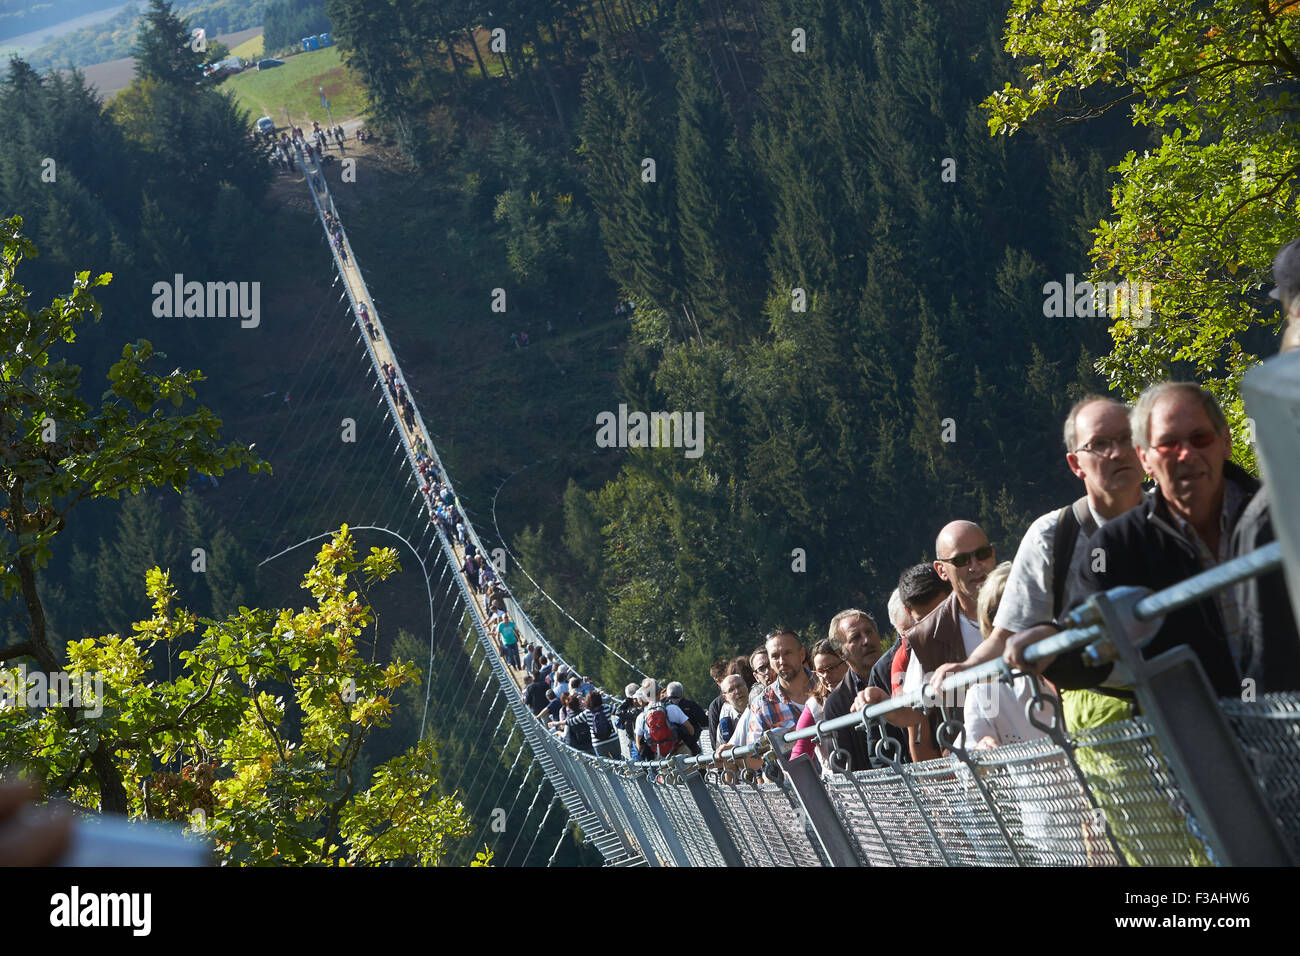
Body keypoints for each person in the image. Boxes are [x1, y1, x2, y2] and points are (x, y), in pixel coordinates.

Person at [1007, 383, 1259, 701]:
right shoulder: (1117, 546)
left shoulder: (1277, 512)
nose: (1187, 454)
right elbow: (1089, 640)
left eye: (1200, 438)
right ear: (1145, 458)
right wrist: (1052, 644)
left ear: (1225, 441)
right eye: (1167, 444)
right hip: (1205, 736)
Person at [930, 397, 1145, 731]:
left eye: (1126, 438)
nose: (1117, 452)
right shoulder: (1052, 536)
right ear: (1076, 464)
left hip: (1196, 694)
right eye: (1100, 444)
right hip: (1107, 722)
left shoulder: (1175, 515)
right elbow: (1008, 633)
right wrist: (967, 667)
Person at [889, 522, 996, 761]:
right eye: (961, 561)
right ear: (941, 570)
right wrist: (880, 704)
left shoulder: (1026, 603)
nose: (975, 566)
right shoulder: (926, 637)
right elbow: (916, 713)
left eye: (982, 554)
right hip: (981, 768)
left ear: (993, 554)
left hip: (1047, 742)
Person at [963, 562, 1058, 748]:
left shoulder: (1081, 660)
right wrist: (980, 754)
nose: (1011, 622)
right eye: (997, 613)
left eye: (1023, 608)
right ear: (988, 623)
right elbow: (967, 765)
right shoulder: (986, 693)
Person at [821, 610, 893, 772]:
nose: (866, 641)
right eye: (855, 638)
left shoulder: (901, 673)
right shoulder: (836, 704)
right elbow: (843, 767)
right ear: (841, 654)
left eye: (869, 632)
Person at [791, 639, 845, 766]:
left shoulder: (865, 689)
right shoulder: (814, 706)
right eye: (820, 671)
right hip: (838, 781)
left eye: (831, 668)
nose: (826, 676)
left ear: (846, 662)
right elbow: (800, 754)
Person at [634, 680, 694, 758]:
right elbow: (691, 731)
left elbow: (638, 745)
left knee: (666, 770)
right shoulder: (673, 709)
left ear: (644, 696)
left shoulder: (641, 717)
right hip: (680, 753)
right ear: (660, 692)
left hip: (660, 758)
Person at [570, 691, 621, 759]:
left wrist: (557, 723)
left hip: (598, 743)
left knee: (606, 766)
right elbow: (620, 712)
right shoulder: (606, 708)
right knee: (618, 760)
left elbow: (572, 721)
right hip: (612, 739)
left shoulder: (586, 713)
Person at [662, 681, 708, 756]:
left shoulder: (662, 706)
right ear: (682, 693)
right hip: (688, 743)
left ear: (667, 693)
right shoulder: (690, 705)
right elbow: (704, 722)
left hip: (665, 745)